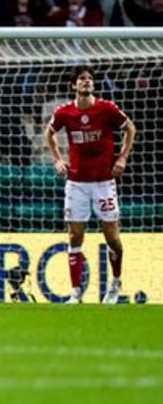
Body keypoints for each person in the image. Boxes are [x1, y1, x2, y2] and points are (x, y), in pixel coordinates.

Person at [44, 66, 137, 304]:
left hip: (104, 183)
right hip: (76, 183)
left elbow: (130, 128)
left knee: (112, 239)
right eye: (81, 79)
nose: (86, 82)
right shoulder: (64, 112)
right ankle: (75, 293)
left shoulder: (106, 109)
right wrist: (57, 159)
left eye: (89, 79)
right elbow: (49, 132)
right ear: (74, 85)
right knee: (75, 237)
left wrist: (122, 157)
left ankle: (115, 283)